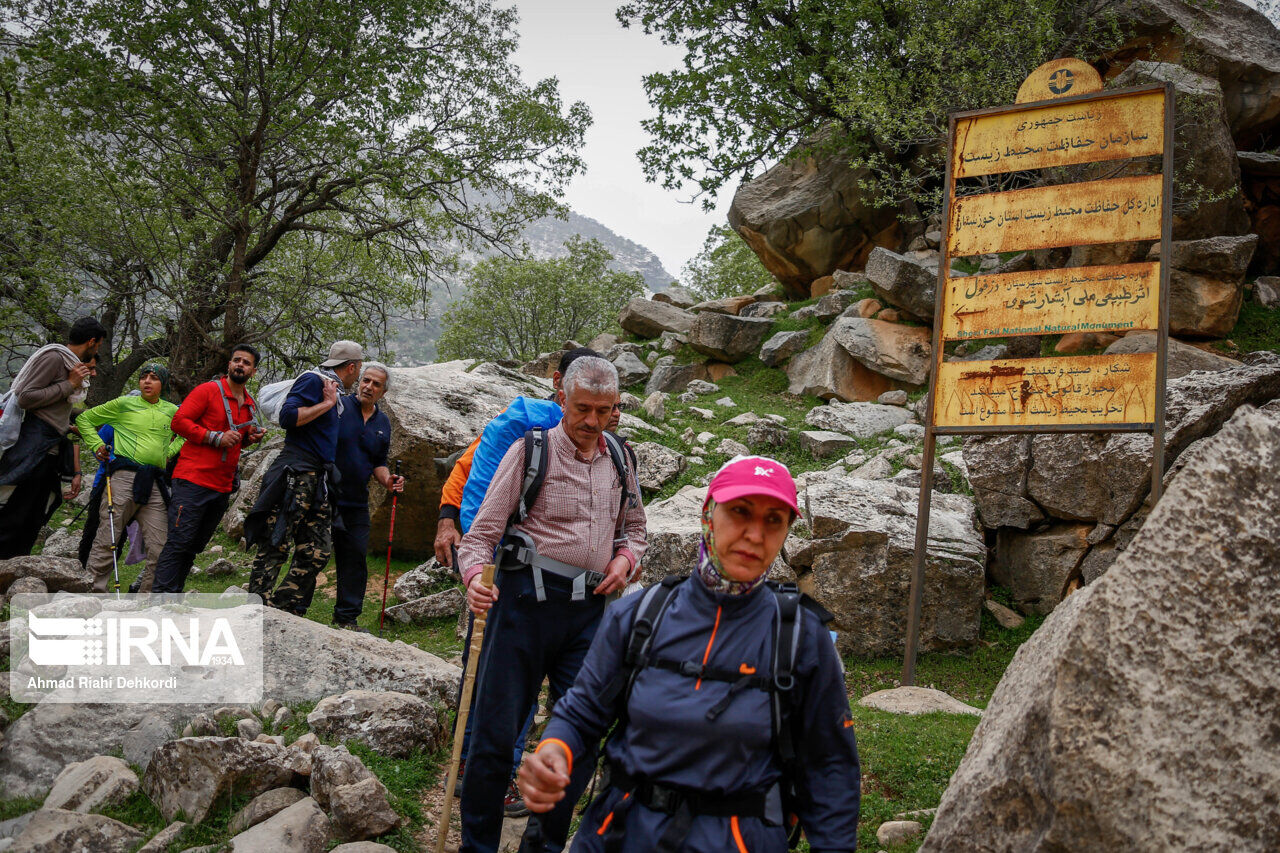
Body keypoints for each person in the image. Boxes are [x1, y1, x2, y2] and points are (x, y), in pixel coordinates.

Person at [517, 455, 861, 852]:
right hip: (623, 835)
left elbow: (830, 766)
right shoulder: (640, 615)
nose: (754, 534)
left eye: (774, 520)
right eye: (740, 512)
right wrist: (554, 750)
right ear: (708, 515)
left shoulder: (802, 637)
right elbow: (581, 714)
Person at [456, 355, 647, 852]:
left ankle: (541, 847)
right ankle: (478, 845)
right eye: (583, 408)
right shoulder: (530, 450)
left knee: (580, 739)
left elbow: (636, 531)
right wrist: (475, 577)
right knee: (494, 740)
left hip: (589, 615)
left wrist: (624, 561)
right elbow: (479, 539)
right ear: (562, 399)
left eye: (605, 411)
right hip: (520, 607)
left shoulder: (622, 458)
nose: (593, 422)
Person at [433, 347, 600, 815]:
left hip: (504, 569)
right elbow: (467, 468)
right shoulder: (532, 429)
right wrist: (449, 519)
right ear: (559, 384)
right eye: (576, 390)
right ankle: (486, 771)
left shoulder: (582, 437)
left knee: (486, 667)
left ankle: (470, 765)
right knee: (506, 679)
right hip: (508, 569)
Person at [244, 340, 361, 613]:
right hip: (295, 474)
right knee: (277, 542)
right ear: (352, 367)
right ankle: (256, 606)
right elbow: (288, 417)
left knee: (317, 550)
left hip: (318, 478)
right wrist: (328, 403)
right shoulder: (314, 381)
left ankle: (283, 607)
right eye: (359, 370)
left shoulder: (334, 391)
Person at [152, 345, 266, 593]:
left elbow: (235, 441)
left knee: (194, 546)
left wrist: (250, 439)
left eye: (246, 363)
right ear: (229, 365)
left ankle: (174, 598)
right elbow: (179, 422)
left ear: (253, 371)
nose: (240, 365)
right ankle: (160, 601)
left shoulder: (249, 404)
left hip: (222, 485)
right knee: (179, 541)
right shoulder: (207, 390)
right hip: (193, 479)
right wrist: (215, 437)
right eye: (236, 360)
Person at [0, 317, 104, 558]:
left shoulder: (70, 363)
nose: (97, 349)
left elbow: (54, 406)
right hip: (35, 445)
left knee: (35, 513)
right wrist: (69, 384)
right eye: (98, 345)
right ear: (91, 342)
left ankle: (16, 567)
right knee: (16, 511)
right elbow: (26, 397)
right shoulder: (56, 357)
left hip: (50, 448)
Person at [76, 365, 184, 593]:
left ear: (163, 383)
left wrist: (169, 452)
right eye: (143, 377)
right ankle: (94, 594)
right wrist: (97, 446)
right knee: (108, 538)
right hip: (123, 477)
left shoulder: (172, 411)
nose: (147, 381)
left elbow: (187, 433)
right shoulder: (124, 404)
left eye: (154, 378)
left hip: (154, 481)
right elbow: (85, 419)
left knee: (160, 546)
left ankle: (146, 602)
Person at [326, 362, 403, 631]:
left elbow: (378, 462)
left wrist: (389, 481)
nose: (368, 386)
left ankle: (346, 618)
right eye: (366, 380)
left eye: (376, 384)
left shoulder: (383, 422)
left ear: (383, 392)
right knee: (315, 553)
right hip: (326, 494)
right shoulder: (338, 407)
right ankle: (294, 608)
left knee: (355, 558)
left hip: (357, 500)